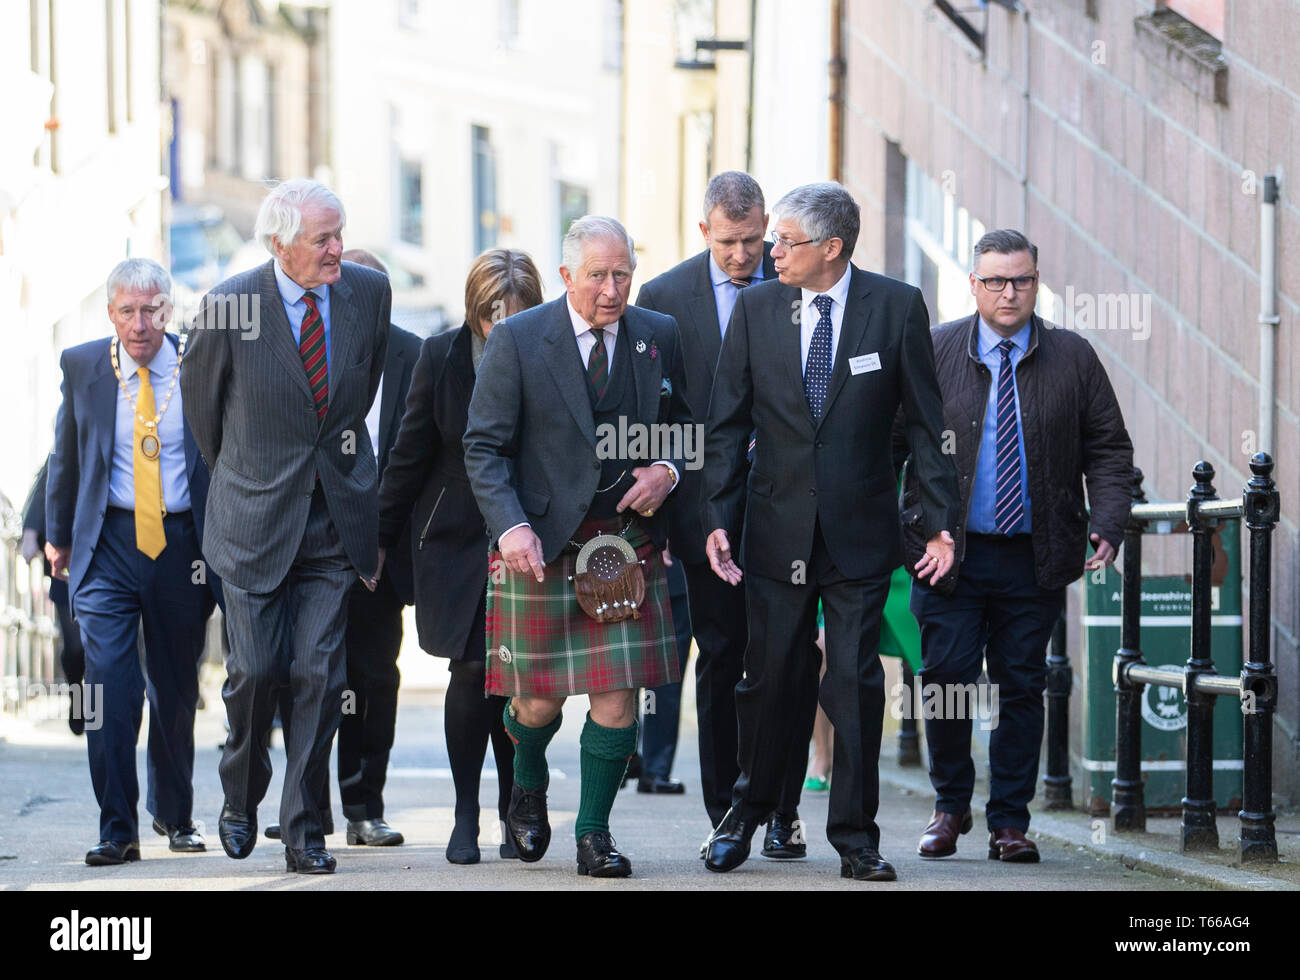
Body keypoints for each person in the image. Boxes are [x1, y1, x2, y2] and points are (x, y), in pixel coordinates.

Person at [700, 182, 959, 880]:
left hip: (859, 535)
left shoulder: (895, 307)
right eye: (770, 240)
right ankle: (746, 817)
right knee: (770, 680)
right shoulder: (756, 309)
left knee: (853, 682)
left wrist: (937, 526)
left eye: (785, 240)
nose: (769, 251)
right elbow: (727, 427)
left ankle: (855, 838)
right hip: (775, 530)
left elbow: (930, 431)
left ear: (832, 248)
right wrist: (718, 520)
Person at [462, 216, 691, 878]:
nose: (613, 289)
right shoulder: (519, 339)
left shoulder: (658, 337)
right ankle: (527, 781)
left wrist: (667, 470)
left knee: (617, 694)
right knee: (537, 700)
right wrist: (510, 528)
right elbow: (483, 446)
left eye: (623, 274)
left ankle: (594, 834)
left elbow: (687, 430)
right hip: (540, 542)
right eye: (598, 275)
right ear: (566, 276)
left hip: (623, 543)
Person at [181, 178, 390, 875]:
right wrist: (252, 477)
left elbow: (353, 404)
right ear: (279, 243)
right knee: (256, 672)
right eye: (322, 239)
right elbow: (204, 420)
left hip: (334, 525)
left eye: (340, 234)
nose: (338, 250)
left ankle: (304, 829)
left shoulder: (367, 294)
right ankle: (240, 791)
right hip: (251, 524)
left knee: (320, 677)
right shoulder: (230, 306)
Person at [905, 229, 1132, 862]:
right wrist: (920, 527)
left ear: (1037, 282)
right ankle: (950, 806)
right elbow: (892, 445)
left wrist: (1107, 521)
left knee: (1020, 688)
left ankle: (1009, 820)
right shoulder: (936, 349)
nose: (1010, 292)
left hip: (1033, 555)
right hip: (950, 553)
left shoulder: (1073, 357)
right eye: (996, 281)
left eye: (1023, 280)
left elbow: (1109, 448)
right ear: (973, 285)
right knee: (945, 677)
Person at [635, 171, 816, 855]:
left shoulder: (796, 281)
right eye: (729, 241)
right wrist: (678, 501)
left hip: (788, 504)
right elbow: (659, 414)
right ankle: (726, 810)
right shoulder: (664, 299)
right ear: (702, 228)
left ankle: (783, 809)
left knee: (788, 660)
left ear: (768, 224)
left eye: (753, 239)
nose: (744, 256)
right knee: (720, 657)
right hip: (703, 507)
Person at [45, 258, 220, 865]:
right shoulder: (84, 365)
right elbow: (64, 454)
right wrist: (58, 535)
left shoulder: (199, 363)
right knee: (110, 688)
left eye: (151, 311)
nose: (139, 324)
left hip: (181, 548)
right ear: (111, 312)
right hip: (108, 545)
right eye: (127, 311)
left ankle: (175, 816)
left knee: (174, 687)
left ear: (168, 311)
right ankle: (116, 828)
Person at [377, 248, 544, 863]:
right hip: (452, 542)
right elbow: (408, 452)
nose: (501, 329)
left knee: (517, 680)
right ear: (475, 313)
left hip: (524, 537)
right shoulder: (440, 356)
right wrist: (378, 536)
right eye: (490, 317)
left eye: (515, 316)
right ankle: (466, 811)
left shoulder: (548, 355)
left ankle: (515, 804)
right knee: (473, 672)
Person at [22, 457, 87, 736]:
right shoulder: (59, 457)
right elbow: (42, 493)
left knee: (99, 647)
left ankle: (98, 717)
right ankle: (78, 697)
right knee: (74, 647)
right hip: (66, 561)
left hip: (106, 557)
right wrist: (30, 533)